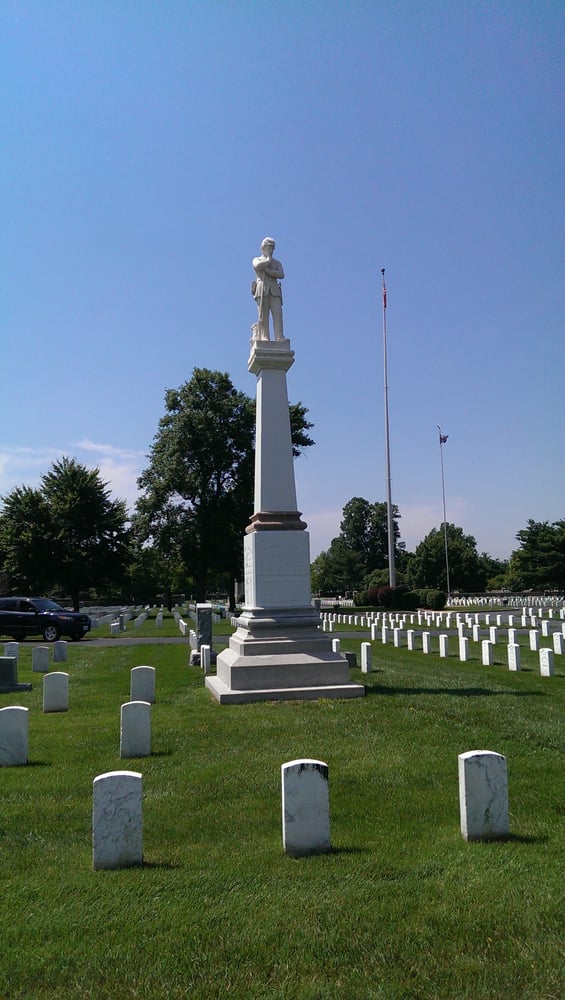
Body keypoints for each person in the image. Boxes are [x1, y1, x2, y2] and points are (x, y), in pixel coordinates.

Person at [251, 237, 284, 340]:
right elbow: (257, 266)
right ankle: (265, 336)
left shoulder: (277, 262)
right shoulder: (257, 259)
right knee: (263, 315)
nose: (271, 250)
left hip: (274, 290)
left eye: (272, 248)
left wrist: (269, 272)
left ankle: (279, 336)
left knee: (277, 314)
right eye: (269, 248)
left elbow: (281, 274)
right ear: (263, 247)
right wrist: (268, 261)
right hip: (262, 289)